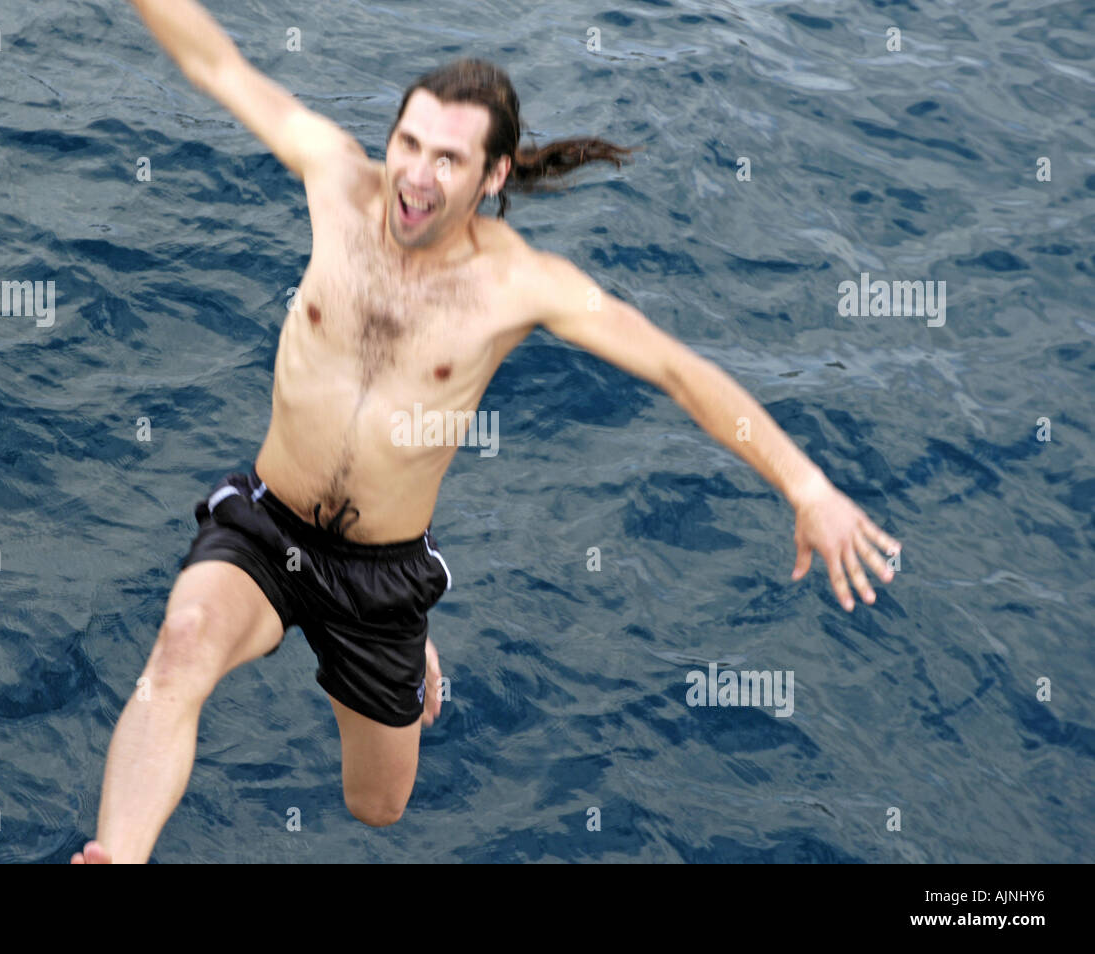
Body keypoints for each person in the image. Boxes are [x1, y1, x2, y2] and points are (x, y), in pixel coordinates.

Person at [73, 0, 902, 863]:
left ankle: (411, 643)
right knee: (180, 649)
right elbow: (217, 65)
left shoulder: (521, 285)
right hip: (267, 524)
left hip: (381, 575)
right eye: (407, 144)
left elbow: (676, 370)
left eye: (448, 158)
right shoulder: (334, 180)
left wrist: (806, 486)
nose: (417, 176)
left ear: (493, 176)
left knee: (378, 807)